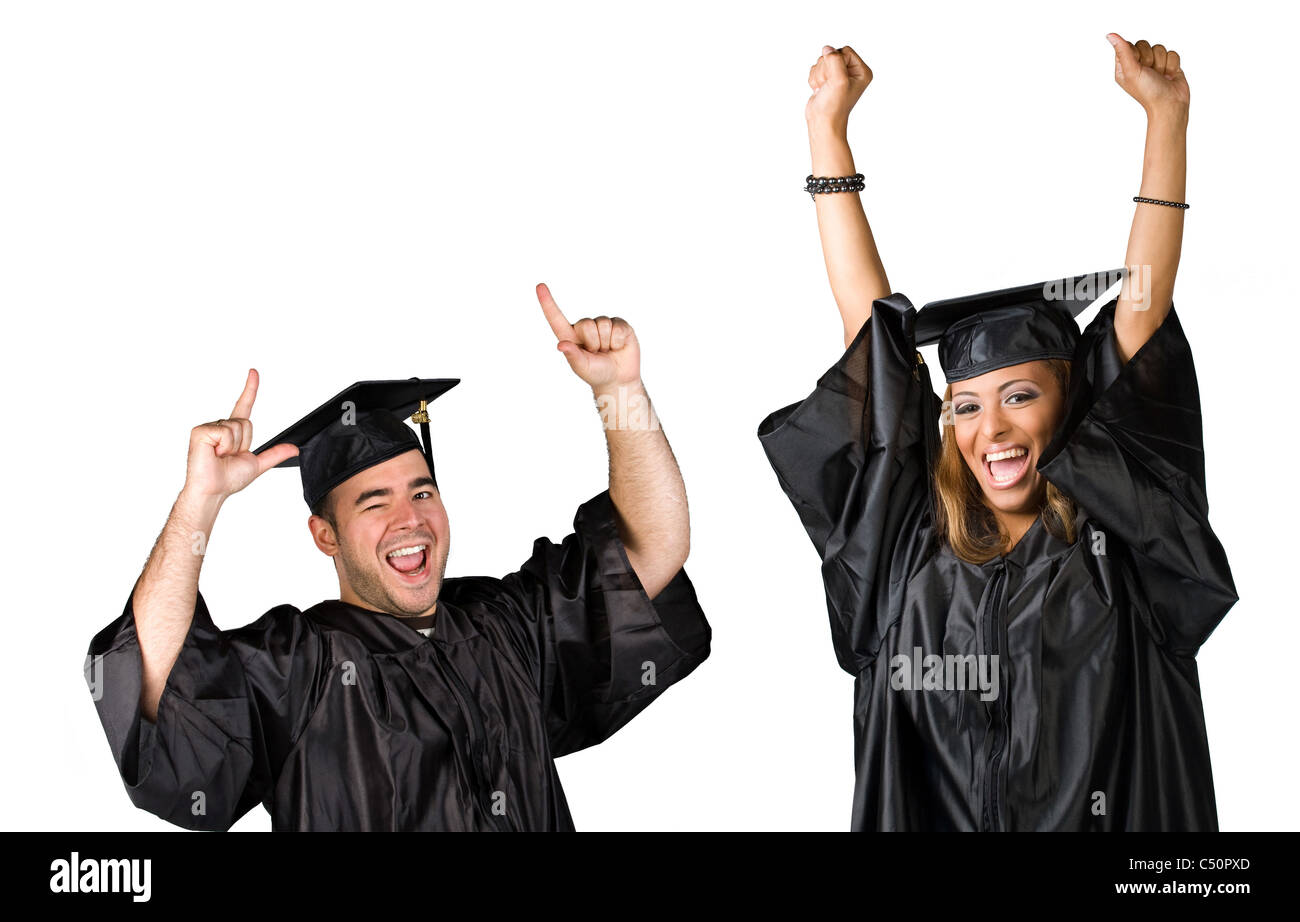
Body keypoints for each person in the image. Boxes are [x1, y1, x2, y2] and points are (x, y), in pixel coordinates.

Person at [758, 38, 1236, 830]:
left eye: (1019, 395)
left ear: (1073, 402)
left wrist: (1166, 119)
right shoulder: (904, 551)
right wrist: (828, 133)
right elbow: (871, 338)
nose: (993, 429)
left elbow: (1141, 315)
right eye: (966, 405)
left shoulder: (1126, 548)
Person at [86, 283, 711, 831]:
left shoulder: (506, 627)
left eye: (421, 491)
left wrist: (620, 390)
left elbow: (651, 550)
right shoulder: (300, 666)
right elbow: (164, 686)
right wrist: (198, 503)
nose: (408, 519)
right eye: (372, 503)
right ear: (325, 536)